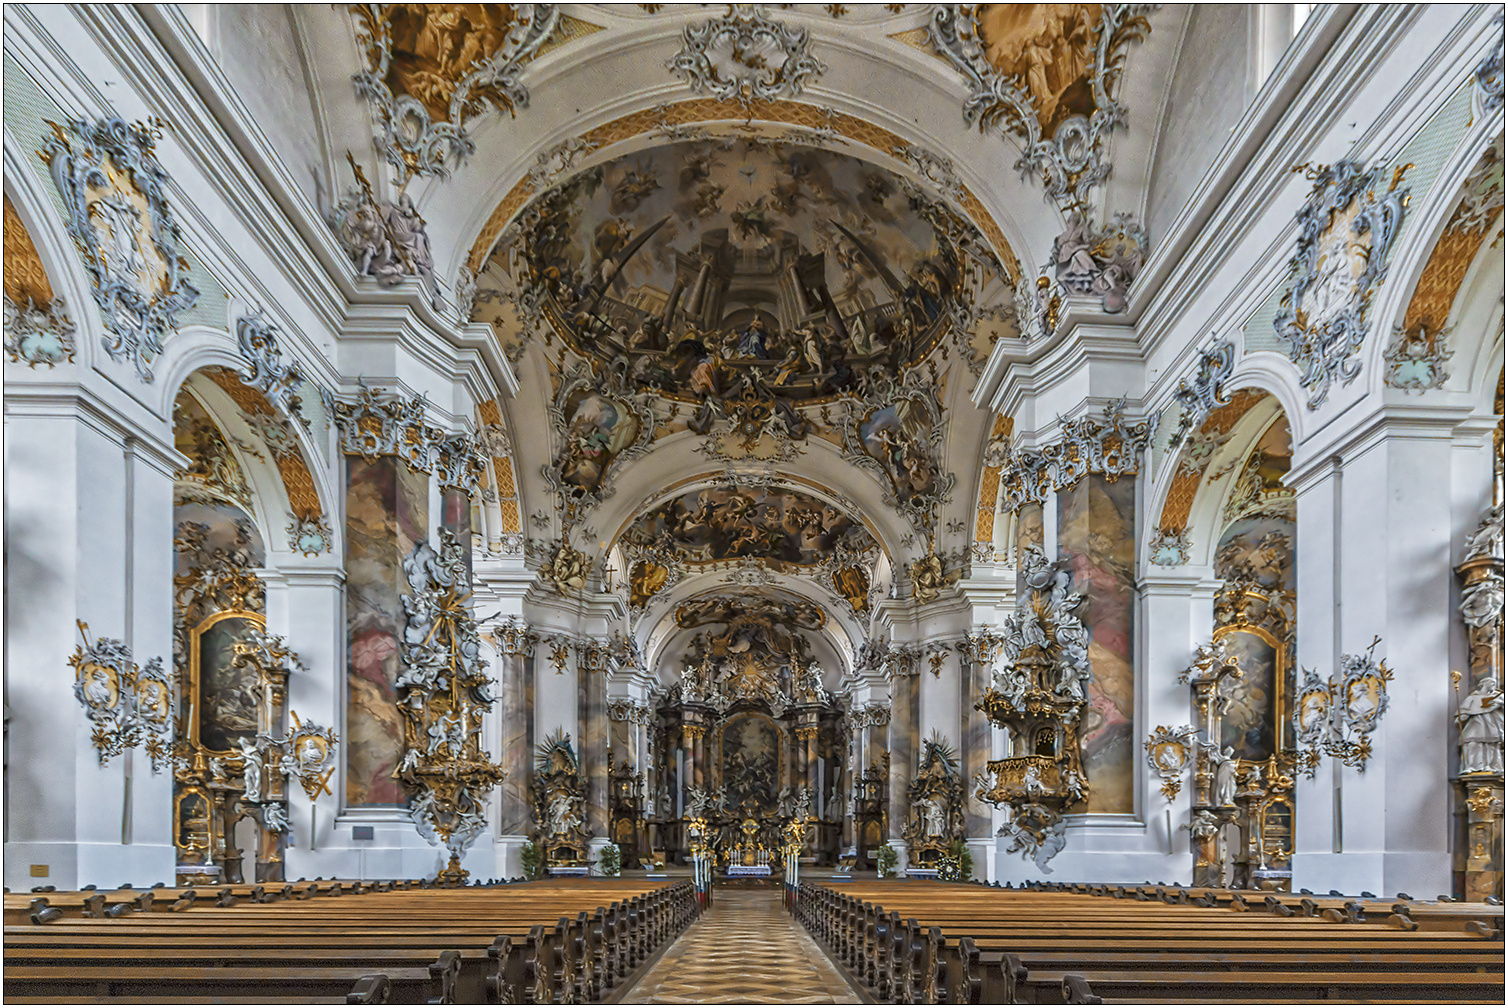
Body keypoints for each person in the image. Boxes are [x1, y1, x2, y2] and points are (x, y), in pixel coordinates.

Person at [1458, 674, 1504, 774]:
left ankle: (1490, 766)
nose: (1493, 684)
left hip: (1491, 724)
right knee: (1472, 743)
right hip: (1476, 723)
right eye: (1490, 682)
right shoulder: (1472, 698)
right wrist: (1461, 717)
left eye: (1494, 683)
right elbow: (1464, 712)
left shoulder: (1498, 697)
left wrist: (1501, 703)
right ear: (1482, 684)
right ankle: (1472, 766)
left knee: (1490, 745)